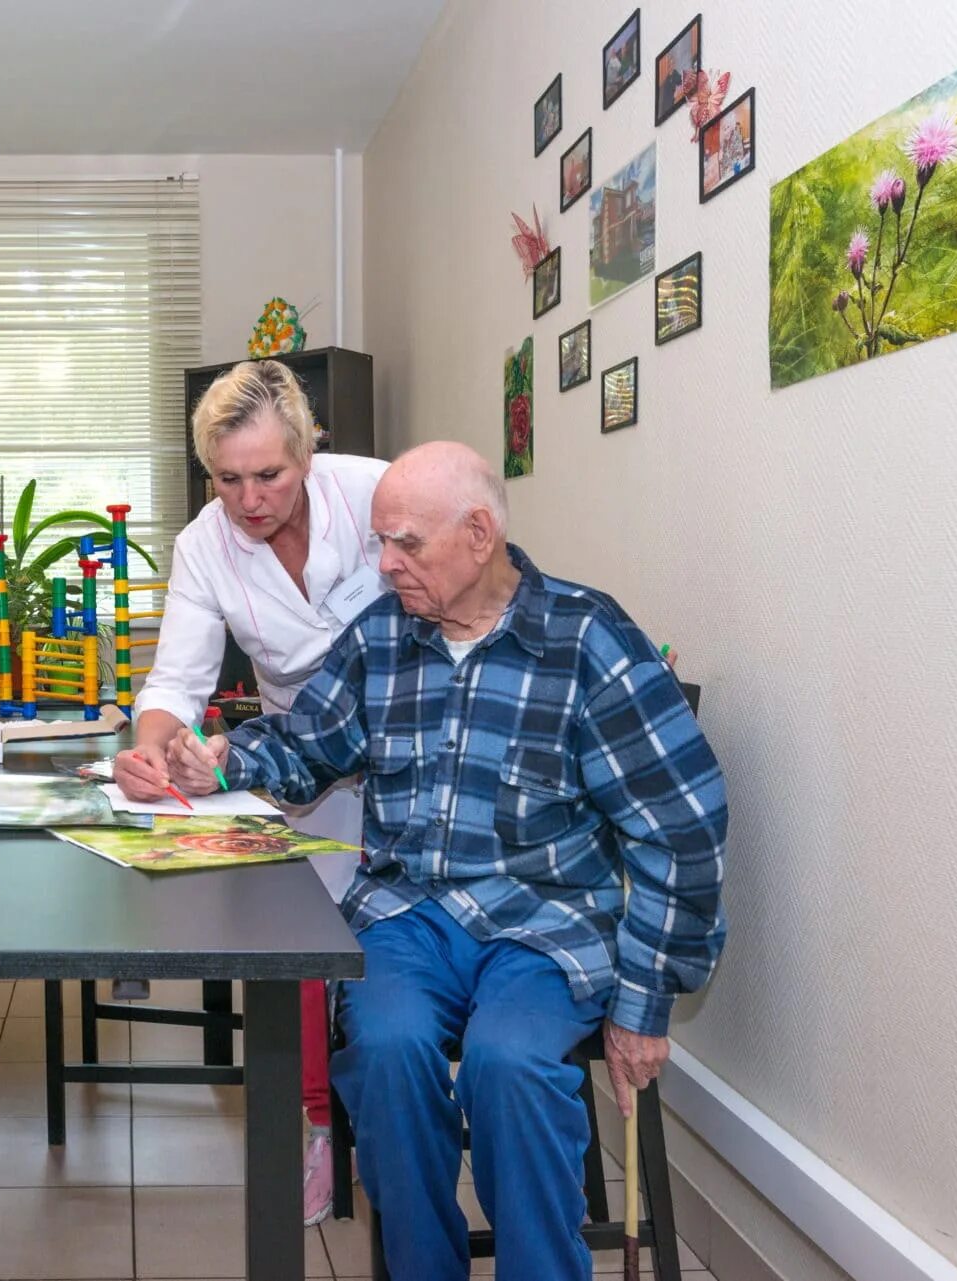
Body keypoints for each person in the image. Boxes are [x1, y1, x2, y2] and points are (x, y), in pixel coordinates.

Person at [168, 441, 727, 1280]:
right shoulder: (382, 636)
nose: (384, 564)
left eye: (406, 544)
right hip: (408, 916)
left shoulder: (586, 640)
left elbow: (681, 825)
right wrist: (223, 757)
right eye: (379, 542)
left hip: (544, 926)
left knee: (510, 1064)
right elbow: (308, 745)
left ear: (478, 532)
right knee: (387, 1051)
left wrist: (644, 1003)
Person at [111, 357, 391, 1223]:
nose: (250, 498)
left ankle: (387, 1106)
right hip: (295, 763)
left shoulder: (377, 495)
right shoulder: (204, 543)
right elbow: (175, 681)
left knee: (397, 937)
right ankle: (314, 1126)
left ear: (310, 452)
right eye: (228, 479)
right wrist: (149, 752)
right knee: (294, 932)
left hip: (410, 746)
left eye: (269, 473)